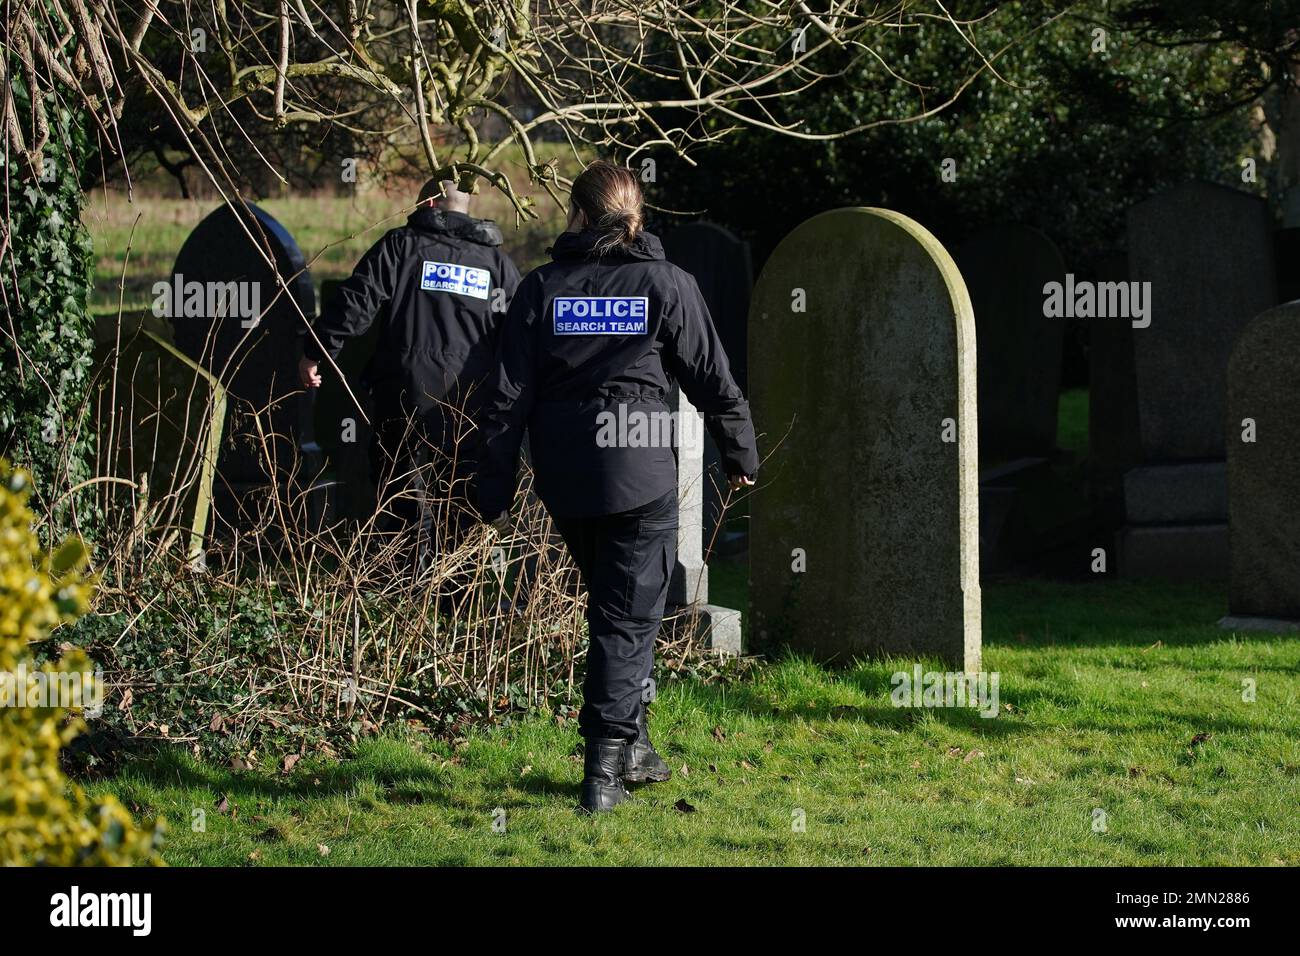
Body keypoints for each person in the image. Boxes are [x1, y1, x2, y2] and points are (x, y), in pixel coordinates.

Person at [477, 161, 758, 813]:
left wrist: (489, 488)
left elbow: (507, 395)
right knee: (625, 624)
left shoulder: (542, 288)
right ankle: (602, 776)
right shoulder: (667, 284)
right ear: (637, 219)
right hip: (636, 476)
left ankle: (632, 746)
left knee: (618, 614)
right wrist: (741, 452)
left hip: (567, 478)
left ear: (578, 214)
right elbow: (714, 378)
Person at [299, 179, 521, 597]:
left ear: (430, 202)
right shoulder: (497, 265)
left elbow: (356, 302)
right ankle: (457, 607)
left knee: (400, 499)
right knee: (460, 506)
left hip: (404, 398)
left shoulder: (401, 247)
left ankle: (402, 599)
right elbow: (520, 336)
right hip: (469, 407)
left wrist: (316, 350)